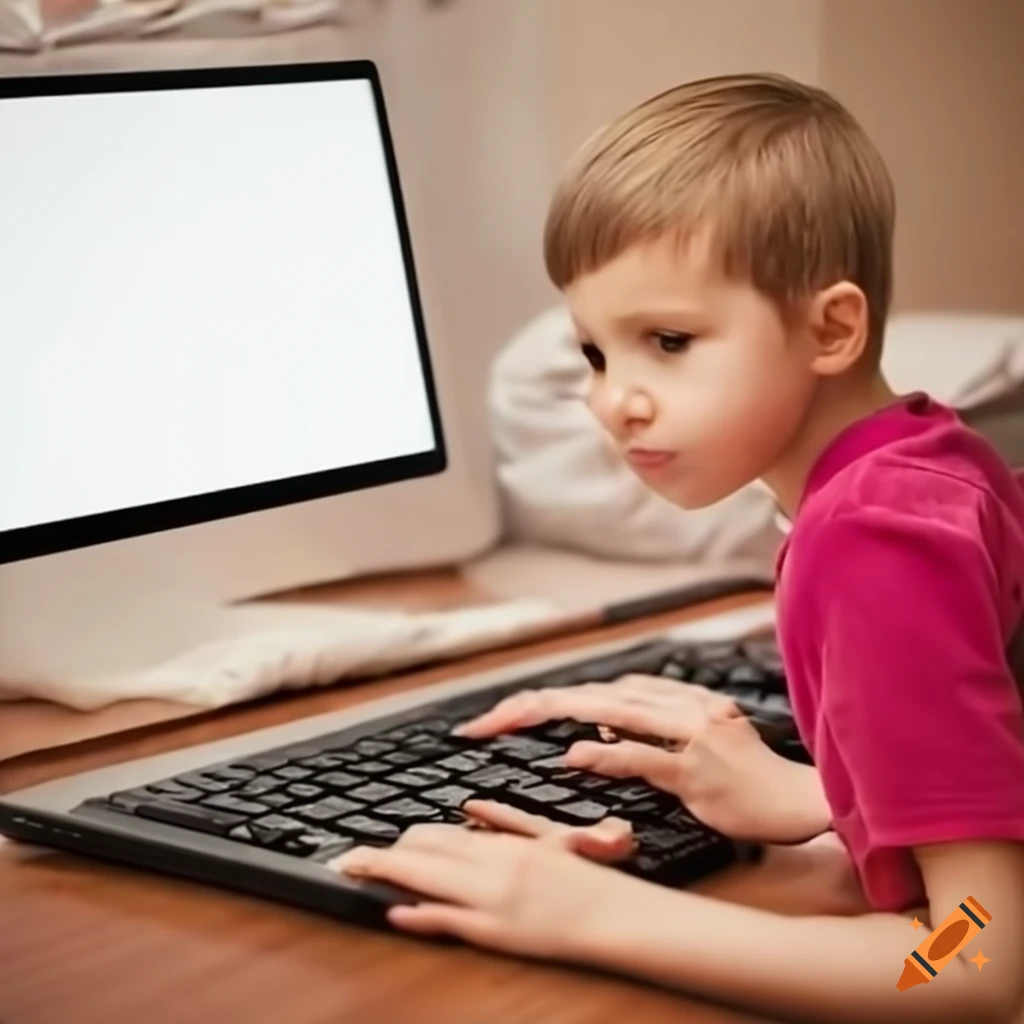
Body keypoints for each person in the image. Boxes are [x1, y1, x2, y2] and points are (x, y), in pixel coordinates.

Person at [335, 73, 1024, 1023]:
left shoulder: (873, 543)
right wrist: (834, 795)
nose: (613, 401)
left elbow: (975, 956)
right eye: (595, 352)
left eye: (668, 340)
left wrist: (591, 916)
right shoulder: (933, 459)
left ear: (831, 329)